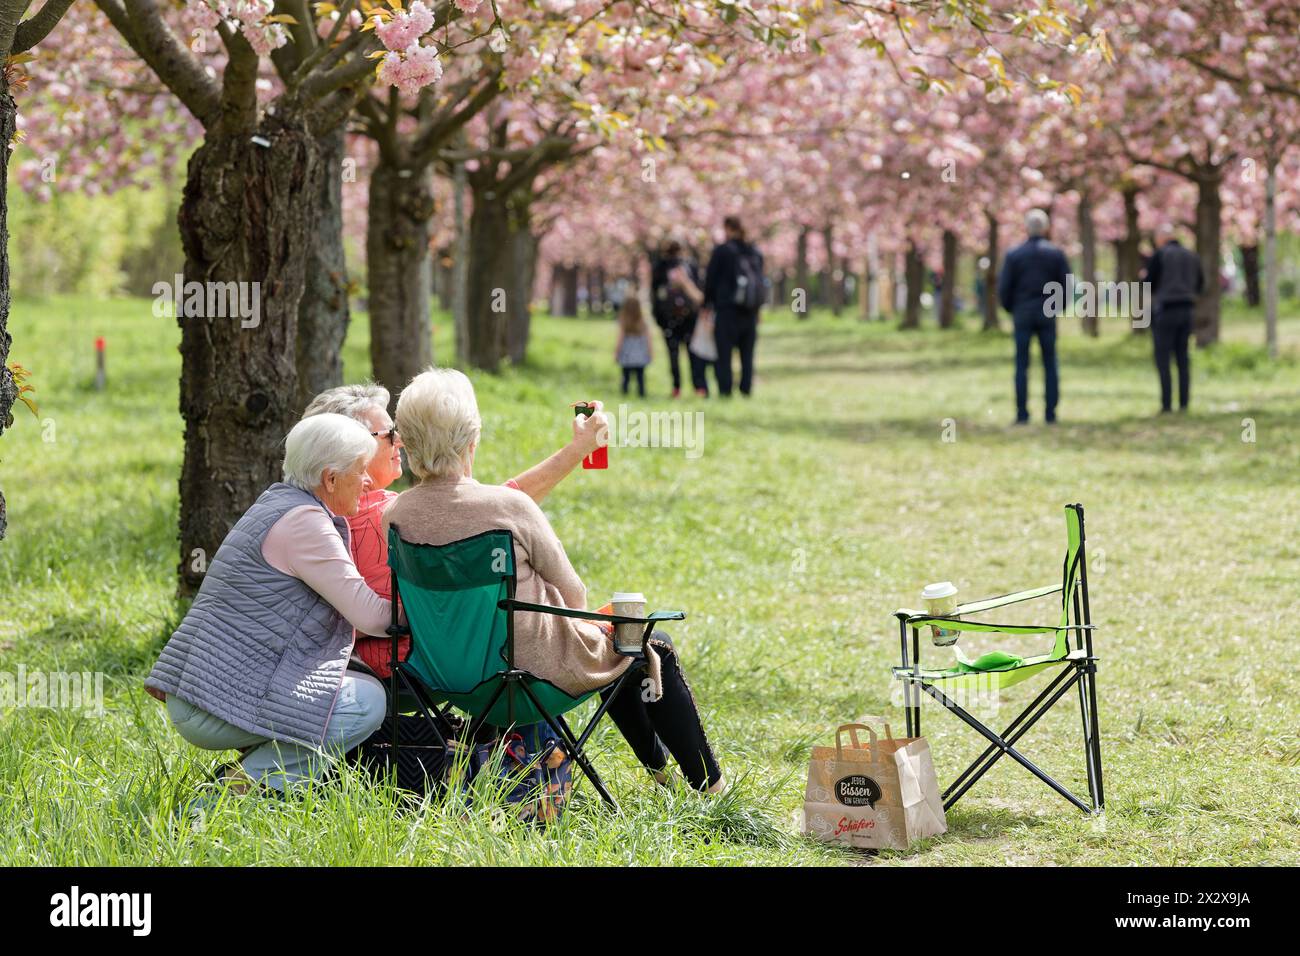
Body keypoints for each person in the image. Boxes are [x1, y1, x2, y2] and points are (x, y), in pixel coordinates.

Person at [384, 368, 726, 793]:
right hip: (526, 683)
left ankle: (664, 777)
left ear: (408, 442)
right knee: (642, 643)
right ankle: (709, 788)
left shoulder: (395, 515)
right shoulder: (509, 507)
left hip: (449, 684)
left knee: (618, 641)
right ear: (472, 439)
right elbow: (575, 594)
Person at [144, 414, 392, 796]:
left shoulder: (280, 504)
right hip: (210, 704)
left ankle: (252, 783)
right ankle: (224, 797)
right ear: (329, 478)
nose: (368, 481)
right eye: (360, 471)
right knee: (367, 702)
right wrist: (433, 611)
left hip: (205, 691)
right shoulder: (305, 524)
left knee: (352, 692)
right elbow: (371, 616)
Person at [303, 383, 612, 679]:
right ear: (350, 446)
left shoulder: (320, 514)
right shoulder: (382, 515)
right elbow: (484, 515)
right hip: (430, 665)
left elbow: (483, 510)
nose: (399, 442)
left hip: (376, 664)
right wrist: (577, 450)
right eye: (389, 435)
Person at [998, 208, 1070, 424]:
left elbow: (1004, 287)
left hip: (1022, 312)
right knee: (1050, 363)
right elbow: (1067, 284)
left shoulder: (1014, 254)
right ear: (1046, 228)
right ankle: (1051, 413)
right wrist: (1058, 307)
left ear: (1026, 228)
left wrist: (1012, 308)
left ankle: (1022, 414)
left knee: (1022, 364)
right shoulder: (1056, 254)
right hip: (1047, 312)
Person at [703, 215, 764, 397]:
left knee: (724, 353)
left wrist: (707, 304)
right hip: (750, 310)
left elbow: (710, 280)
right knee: (747, 353)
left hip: (726, 309)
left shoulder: (722, 251)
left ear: (728, 228)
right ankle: (746, 389)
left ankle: (725, 389)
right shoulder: (755, 251)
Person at [1145, 224, 1203, 413]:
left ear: (1161, 239)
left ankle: (1167, 404)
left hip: (1166, 311)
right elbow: (1201, 283)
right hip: (1187, 310)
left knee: (1163, 359)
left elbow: (1148, 284)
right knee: (1183, 358)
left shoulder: (1160, 255)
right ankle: (1184, 403)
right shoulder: (1192, 255)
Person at [651, 240, 709, 397]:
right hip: (687, 316)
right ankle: (697, 387)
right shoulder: (688, 265)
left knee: (674, 354)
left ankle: (678, 387)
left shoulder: (661, 267)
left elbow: (655, 294)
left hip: (671, 318)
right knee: (692, 353)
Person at [615, 297, 652, 397]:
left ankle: (625, 392)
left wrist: (617, 353)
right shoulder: (643, 323)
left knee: (626, 376)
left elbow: (620, 340)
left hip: (627, 355)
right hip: (640, 355)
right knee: (640, 377)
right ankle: (641, 393)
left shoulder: (624, 323)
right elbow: (649, 340)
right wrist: (650, 352)